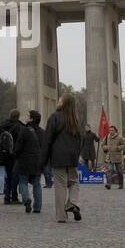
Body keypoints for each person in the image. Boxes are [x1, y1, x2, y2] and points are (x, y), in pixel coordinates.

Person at [42, 94, 83, 222]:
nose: (57, 101)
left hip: (58, 155)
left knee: (60, 185)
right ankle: (73, 203)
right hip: (72, 156)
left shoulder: (54, 117)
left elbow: (48, 138)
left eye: (59, 99)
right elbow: (80, 140)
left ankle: (61, 216)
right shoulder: (75, 119)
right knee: (74, 181)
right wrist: (76, 154)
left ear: (63, 103)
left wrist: (44, 158)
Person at [13, 109, 44, 214]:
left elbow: (19, 146)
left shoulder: (24, 130)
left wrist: (15, 155)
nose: (25, 117)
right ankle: (38, 207)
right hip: (38, 161)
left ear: (31, 119)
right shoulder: (42, 132)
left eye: (27, 116)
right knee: (37, 184)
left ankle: (26, 200)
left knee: (23, 181)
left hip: (25, 161)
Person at [0, 109, 24, 204]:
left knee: (8, 176)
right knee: (15, 177)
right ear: (18, 116)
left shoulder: (3, 125)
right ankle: (14, 197)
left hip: (5, 155)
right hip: (15, 155)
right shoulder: (19, 126)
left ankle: (6, 197)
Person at [101, 124, 125, 189]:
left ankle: (121, 184)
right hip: (110, 157)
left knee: (119, 171)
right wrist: (105, 147)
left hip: (117, 157)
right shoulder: (107, 137)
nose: (111, 131)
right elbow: (102, 144)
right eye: (110, 130)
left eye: (112, 130)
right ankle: (108, 184)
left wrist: (118, 148)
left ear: (115, 131)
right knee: (109, 170)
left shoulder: (120, 138)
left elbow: (124, 145)